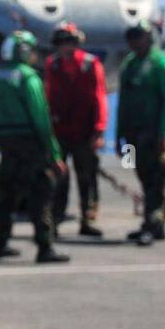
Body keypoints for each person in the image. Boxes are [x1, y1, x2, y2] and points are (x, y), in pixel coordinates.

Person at [0, 30, 69, 263]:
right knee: (40, 193)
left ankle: (1, 242)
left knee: (5, 192)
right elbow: (41, 118)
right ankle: (45, 246)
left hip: (7, 140)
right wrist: (54, 153)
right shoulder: (29, 78)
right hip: (29, 143)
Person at [115, 19, 165, 246]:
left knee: (156, 182)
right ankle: (155, 224)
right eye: (131, 37)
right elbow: (123, 102)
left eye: (138, 36)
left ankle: (151, 226)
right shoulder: (130, 64)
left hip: (153, 136)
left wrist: (162, 136)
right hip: (132, 136)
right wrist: (118, 136)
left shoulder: (161, 64)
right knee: (144, 179)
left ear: (148, 37)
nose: (133, 41)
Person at [43, 22, 108, 238]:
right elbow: (48, 98)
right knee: (58, 177)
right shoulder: (52, 66)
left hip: (85, 133)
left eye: (70, 42)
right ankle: (55, 220)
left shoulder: (91, 65)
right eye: (62, 42)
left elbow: (99, 98)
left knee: (87, 178)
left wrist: (98, 130)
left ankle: (87, 220)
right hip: (60, 131)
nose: (66, 46)